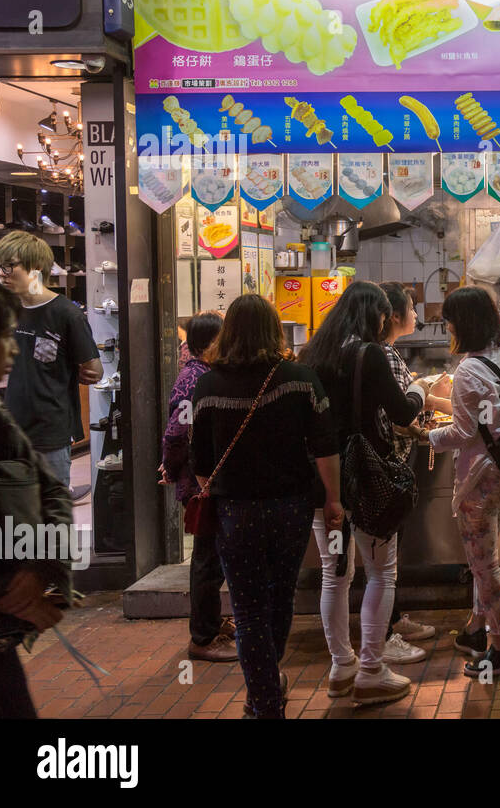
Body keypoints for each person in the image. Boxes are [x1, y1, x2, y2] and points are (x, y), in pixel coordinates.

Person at [190, 295, 340, 719]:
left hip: (235, 513)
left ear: (229, 331)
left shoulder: (208, 385)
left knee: (248, 607)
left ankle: (264, 700)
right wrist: (333, 499)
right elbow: (325, 447)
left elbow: (200, 461)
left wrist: (221, 489)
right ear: (274, 330)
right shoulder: (300, 378)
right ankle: (266, 687)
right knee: (280, 598)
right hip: (291, 509)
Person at [300, 281, 427, 705]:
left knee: (335, 575)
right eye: (381, 313)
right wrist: (421, 391)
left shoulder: (313, 356)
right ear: (372, 314)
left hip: (324, 482)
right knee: (380, 572)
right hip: (367, 480)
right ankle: (372, 669)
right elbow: (403, 411)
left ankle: (342, 667)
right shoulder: (369, 354)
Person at [425, 287, 500, 678]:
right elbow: (483, 418)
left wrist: (425, 435)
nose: (446, 326)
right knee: (484, 559)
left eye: (449, 319)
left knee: (484, 568)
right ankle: (476, 631)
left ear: (463, 323)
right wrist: (435, 404)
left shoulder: (467, 369)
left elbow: (464, 433)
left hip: (478, 481)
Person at [0, 281, 73, 719]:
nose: (13, 348)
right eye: (5, 335)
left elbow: (53, 488)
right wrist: (4, 588)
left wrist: (40, 565)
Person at [0, 231, 100, 499]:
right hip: (7, 429)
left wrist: (80, 371)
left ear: (36, 268)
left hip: (49, 432)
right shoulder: (5, 310)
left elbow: (94, 370)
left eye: (9, 266)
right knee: (12, 517)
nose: (2, 274)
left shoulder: (66, 314)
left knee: (50, 522)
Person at [160, 311, 234, 663]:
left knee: (213, 558)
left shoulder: (204, 374)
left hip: (205, 479)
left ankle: (213, 624)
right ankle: (202, 638)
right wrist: (172, 469)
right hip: (200, 484)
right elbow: (176, 431)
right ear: (211, 345)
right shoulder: (194, 379)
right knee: (205, 561)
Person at [376, 282, 439, 659]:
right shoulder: (381, 355)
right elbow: (400, 415)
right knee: (383, 555)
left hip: (395, 462)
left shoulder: (387, 353)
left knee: (387, 553)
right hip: (388, 464)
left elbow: (413, 398)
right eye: (412, 308)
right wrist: (420, 414)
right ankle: (382, 636)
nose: (416, 314)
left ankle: (393, 619)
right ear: (394, 316)